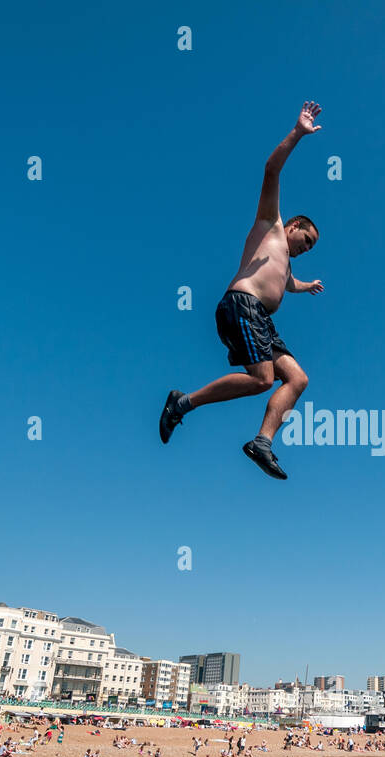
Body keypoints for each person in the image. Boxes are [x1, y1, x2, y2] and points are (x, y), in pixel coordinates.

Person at [159, 101, 325, 480]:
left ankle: (262, 443)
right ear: (294, 225)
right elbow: (271, 169)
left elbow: (287, 284)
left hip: (262, 320)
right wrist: (298, 133)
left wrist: (306, 285)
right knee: (262, 379)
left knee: (298, 379)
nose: (305, 247)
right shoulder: (270, 226)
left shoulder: (285, 266)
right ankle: (181, 403)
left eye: (311, 247)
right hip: (242, 305)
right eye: (306, 239)